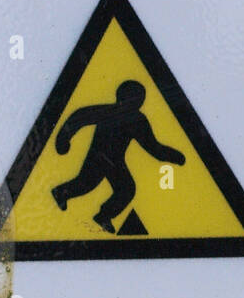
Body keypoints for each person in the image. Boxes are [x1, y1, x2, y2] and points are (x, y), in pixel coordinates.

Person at [50, 79, 185, 233]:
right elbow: (79, 118)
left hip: (113, 160)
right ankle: (63, 194)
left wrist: (176, 157)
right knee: (89, 184)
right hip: (100, 157)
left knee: (124, 189)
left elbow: (153, 147)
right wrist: (62, 142)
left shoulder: (135, 120)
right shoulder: (119, 114)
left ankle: (100, 214)